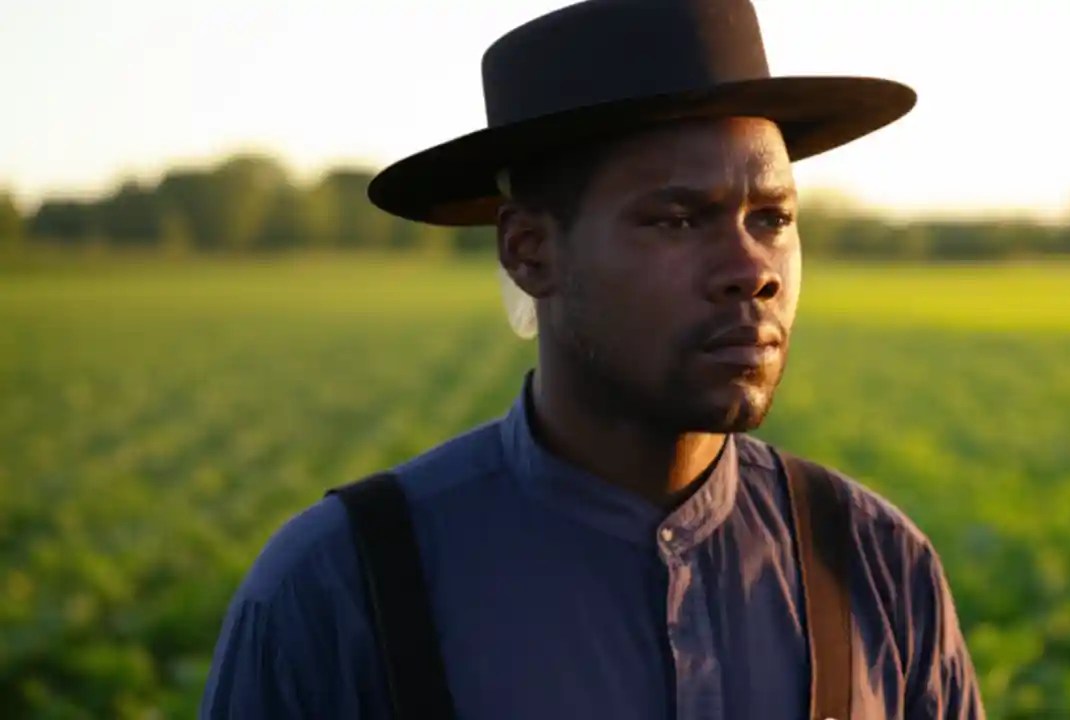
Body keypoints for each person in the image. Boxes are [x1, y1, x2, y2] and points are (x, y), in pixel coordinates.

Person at [202, 0, 985, 718]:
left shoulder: (878, 565)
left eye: (772, 216)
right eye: (678, 220)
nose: (754, 268)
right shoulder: (340, 589)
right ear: (529, 251)